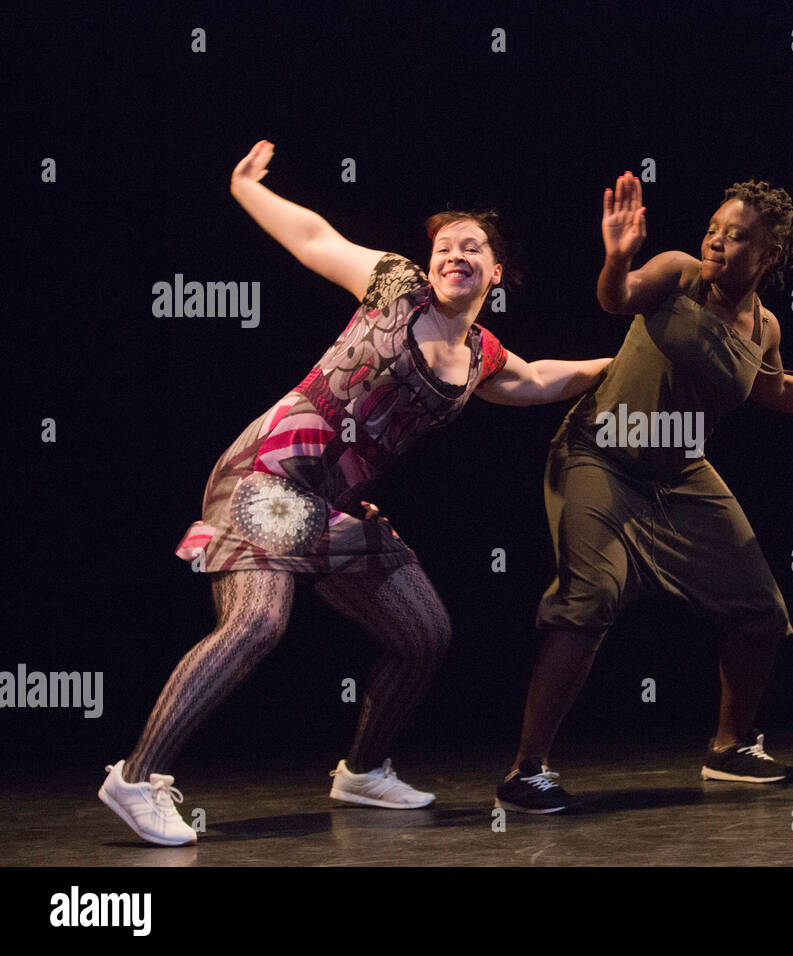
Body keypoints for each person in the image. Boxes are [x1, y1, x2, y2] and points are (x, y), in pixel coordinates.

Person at [98, 140, 610, 845]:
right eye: (446, 247)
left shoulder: (481, 357)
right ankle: (136, 775)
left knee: (422, 633)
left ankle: (362, 771)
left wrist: (623, 361)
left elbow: (538, 380)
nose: (454, 255)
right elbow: (315, 239)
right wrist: (247, 188)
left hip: (329, 508)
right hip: (268, 475)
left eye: (472, 248)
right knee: (257, 623)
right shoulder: (395, 286)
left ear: (497, 272)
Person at [495, 172, 793, 813]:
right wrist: (617, 258)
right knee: (589, 600)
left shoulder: (764, 328)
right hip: (600, 455)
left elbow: (775, 391)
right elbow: (616, 300)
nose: (718, 243)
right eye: (713, 230)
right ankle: (527, 769)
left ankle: (729, 749)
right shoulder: (677, 273)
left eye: (738, 237)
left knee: (760, 609)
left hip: (679, 473)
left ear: (771, 254)